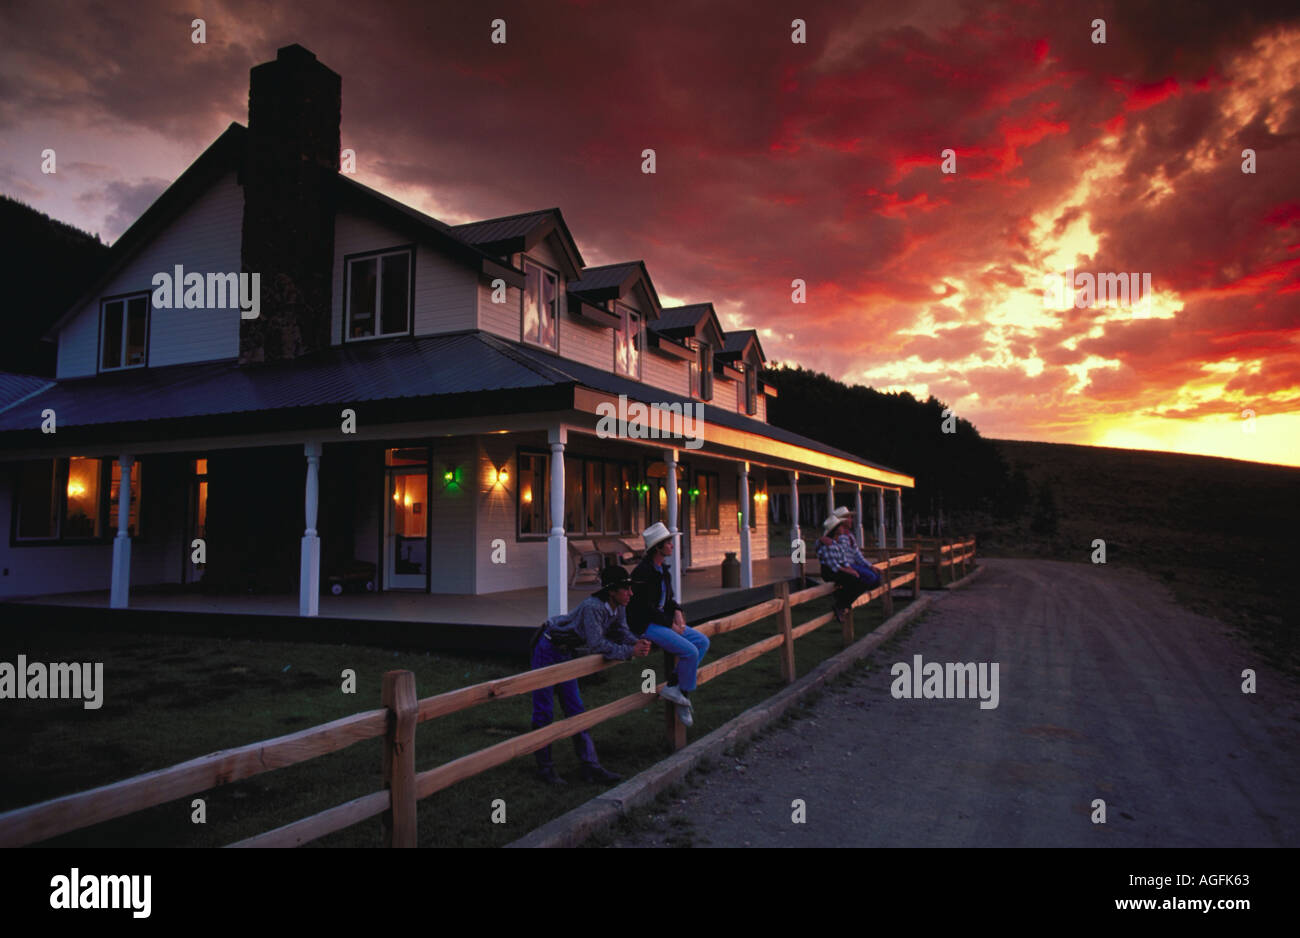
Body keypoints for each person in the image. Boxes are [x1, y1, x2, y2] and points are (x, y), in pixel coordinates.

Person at [529, 565, 652, 785]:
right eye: (626, 589)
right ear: (611, 590)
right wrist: (629, 652)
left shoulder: (619, 606)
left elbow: (620, 631)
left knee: (575, 708)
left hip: (566, 652)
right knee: (544, 710)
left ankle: (590, 766)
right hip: (548, 648)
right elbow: (596, 644)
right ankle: (545, 767)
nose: (630, 593)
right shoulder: (593, 607)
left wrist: (637, 642)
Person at [628, 522, 710, 728]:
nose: (673, 545)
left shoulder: (663, 570)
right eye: (668, 542)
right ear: (658, 547)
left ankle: (675, 686)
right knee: (690, 652)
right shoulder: (642, 573)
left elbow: (669, 599)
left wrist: (678, 612)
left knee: (702, 642)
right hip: (646, 625)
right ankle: (682, 696)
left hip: (662, 621)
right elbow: (646, 608)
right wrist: (670, 625)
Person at [816, 513, 871, 623]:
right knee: (857, 581)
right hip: (830, 572)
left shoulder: (835, 543)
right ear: (835, 529)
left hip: (839, 570)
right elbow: (833, 566)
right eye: (840, 526)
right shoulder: (828, 545)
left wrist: (850, 569)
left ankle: (842, 601)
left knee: (861, 580)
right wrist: (849, 571)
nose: (843, 528)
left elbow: (843, 560)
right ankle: (840, 605)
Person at [821, 506, 882, 591]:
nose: (851, 520)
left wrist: (870, 566)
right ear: (843, 520)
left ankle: (856, 592)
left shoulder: (849, 535)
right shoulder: (836, 536)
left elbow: (857, 553)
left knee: (877, 576)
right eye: (849, 518)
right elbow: (838, 557)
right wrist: (848, 568)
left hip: (851, 565)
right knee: (870, 577)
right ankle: (851, 592)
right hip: (846, 566)